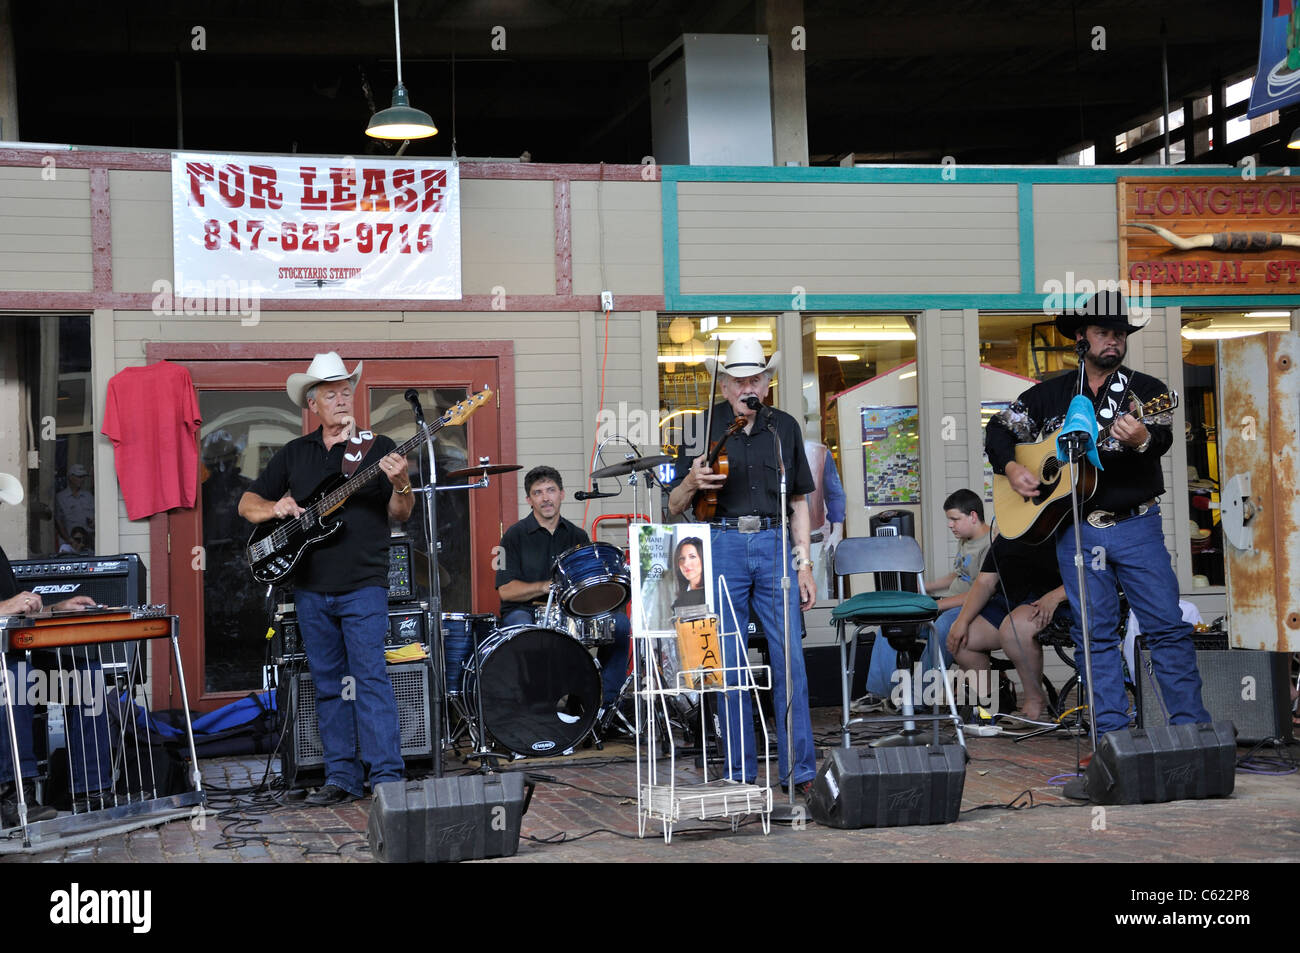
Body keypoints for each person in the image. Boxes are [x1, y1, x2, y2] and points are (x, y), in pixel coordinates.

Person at [985, 290, 1210, 794]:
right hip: (1076, 529)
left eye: (1121, 334)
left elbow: (1161, 436)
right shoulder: (1049, 395)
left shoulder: (1145, 391)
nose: (1115, 341)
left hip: (1136, 525)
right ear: (1082, 338)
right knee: (1095, 636)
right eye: (1106, 332)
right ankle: (1112, 741)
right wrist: (1015, 468)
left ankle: (1190, 735)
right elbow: (999, 430)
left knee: (1166, 627)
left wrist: (1141, 441)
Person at [238, 352, 411, 806]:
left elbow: (399, 514)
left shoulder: (378, 448)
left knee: (371, 678)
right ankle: (341, 777)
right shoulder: (296, 454)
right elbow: (247, 504)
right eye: (330, 394)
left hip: (364, 585)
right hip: (311, 587)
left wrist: (402, 485)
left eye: (345, 391)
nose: (341, 400)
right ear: (312, 404)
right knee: (328, 684)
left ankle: (387, 777)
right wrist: (276, 508)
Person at [668, 338, 818, 795]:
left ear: (766, 385)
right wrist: (693, 479)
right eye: (737, 380)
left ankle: (800, 772)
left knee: (788, 658)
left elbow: (798, 502)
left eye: (754, 379)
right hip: (722, 543)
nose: (745, 387)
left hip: (774, 543)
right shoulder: (702, 426)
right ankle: (739, 773)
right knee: (728, 660)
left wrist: (805, 563)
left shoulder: (783, 428)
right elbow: (674, 506)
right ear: (726, 384)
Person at [0, 471, 101, 827]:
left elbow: (17, 609)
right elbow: (6, 608)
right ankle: (15, 796)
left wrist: (56, 609)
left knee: (85, 675)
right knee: (16, 677)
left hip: (16, 660)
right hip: (10, 674)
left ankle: (92, 789)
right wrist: (6, 607)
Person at [495, 466, 630, 711]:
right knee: (519, 626)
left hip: (572, 613)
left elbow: (592, 589)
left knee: (620, 625)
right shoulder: (512, 537)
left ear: (562, 494)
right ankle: (528, 707)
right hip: (525, 611)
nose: (546, 498)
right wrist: (545, 586)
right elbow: (505, 590)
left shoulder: (578, 536)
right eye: (538, 493)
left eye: (551, 490)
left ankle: (603, 706)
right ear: (529, 500)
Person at [862, 488, 992, 705]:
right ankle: (882, 695)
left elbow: (979, 592)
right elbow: (959, 575)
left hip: (971, 608)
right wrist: (923, 588)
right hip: (947, 604)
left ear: (973, 516)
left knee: (939, 629)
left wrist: (937, 606)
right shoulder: (966, 539)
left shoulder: (990, 545)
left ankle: (917, 699)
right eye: (949, 519)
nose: (950, 525)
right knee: (891, 625)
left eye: (954, 519)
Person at [945, 530, 1069, 722]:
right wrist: (962, 621)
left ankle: (1034, 700)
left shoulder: (1065, 526)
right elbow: (985, 582)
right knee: (962, 639)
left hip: (1052, 600)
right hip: (1010, 600)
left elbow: (1089, 572)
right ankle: (990, 704)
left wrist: (1056, 596)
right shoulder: (1009, 533)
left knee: (1014, 628)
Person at [55, 463, 95, 553]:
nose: (82, 480)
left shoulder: (88, 496)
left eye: (83, 477)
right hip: (70, 543)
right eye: (79, 477)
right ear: (70, 477)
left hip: (89, 542)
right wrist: (68, 540)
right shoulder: (61, 497)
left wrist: (93, 523)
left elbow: (96, 517)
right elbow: (58, 522)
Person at [672, 536, 706, 609]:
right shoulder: (682, 599)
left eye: (692, 557)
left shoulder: (710, 595)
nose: (685, 563)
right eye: (682, 558)